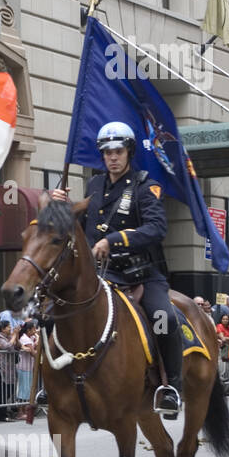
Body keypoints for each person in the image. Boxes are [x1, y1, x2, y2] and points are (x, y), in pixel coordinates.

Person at [51, 121, 182, 416]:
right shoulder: (95, 185)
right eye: (107, 151)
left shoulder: (147, 186)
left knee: (164, 318)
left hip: (143, 274)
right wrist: (62, 204)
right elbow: (86, 224)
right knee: (58, 311)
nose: (112, 157)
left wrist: (115, 240)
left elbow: (156, 228)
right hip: (104, 274)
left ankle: (172, 386)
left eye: (118, 151)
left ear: (129, 152)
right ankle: (59, 379)